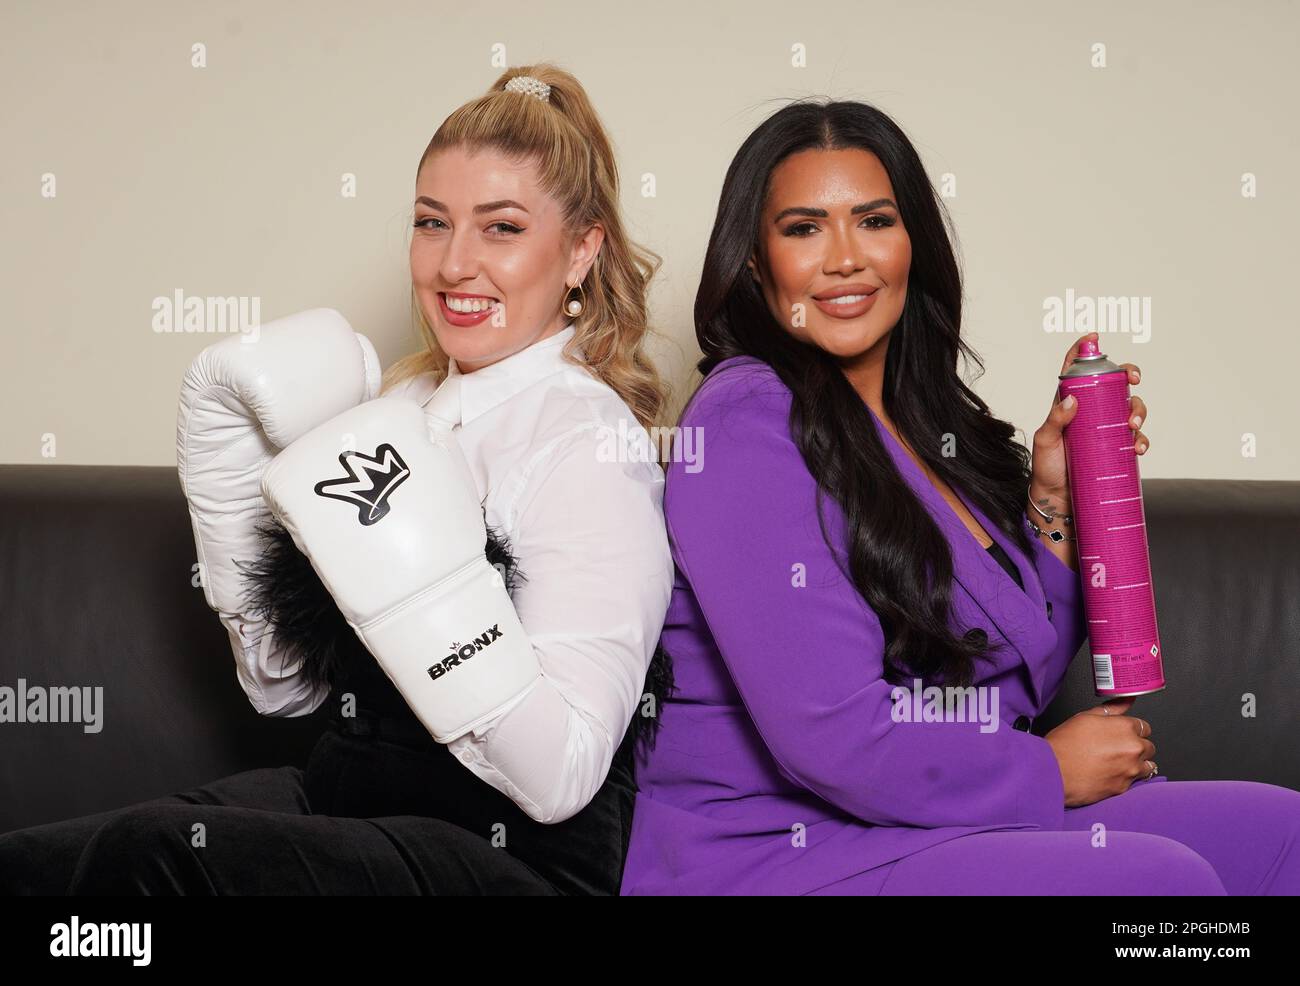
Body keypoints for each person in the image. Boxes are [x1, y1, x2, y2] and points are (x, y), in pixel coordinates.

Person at [0, 64, 674, 896]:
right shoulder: (400, 407)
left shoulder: (587, 441)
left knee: (155, 860)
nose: (455, 263)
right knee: (33, 870)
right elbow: (285, 693)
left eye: (500, 228)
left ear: (581, 251)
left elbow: (561, 774)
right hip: (350, 805)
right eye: (432, 222)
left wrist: (424, 590)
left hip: (508, 861)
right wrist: (237, 501)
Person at [619, 98, 1300, 895]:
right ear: (754, 263)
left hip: (918, 824)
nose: (845, 258)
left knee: (1280, 834)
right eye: (804, 228)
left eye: (873, 220)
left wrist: (1051, 505)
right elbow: (833, 738)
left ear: (914, 244)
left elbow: (999, 690)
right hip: (770, 851)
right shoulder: (744, 422)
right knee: (1156, 883)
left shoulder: (924, 427)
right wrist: (1045, 768)